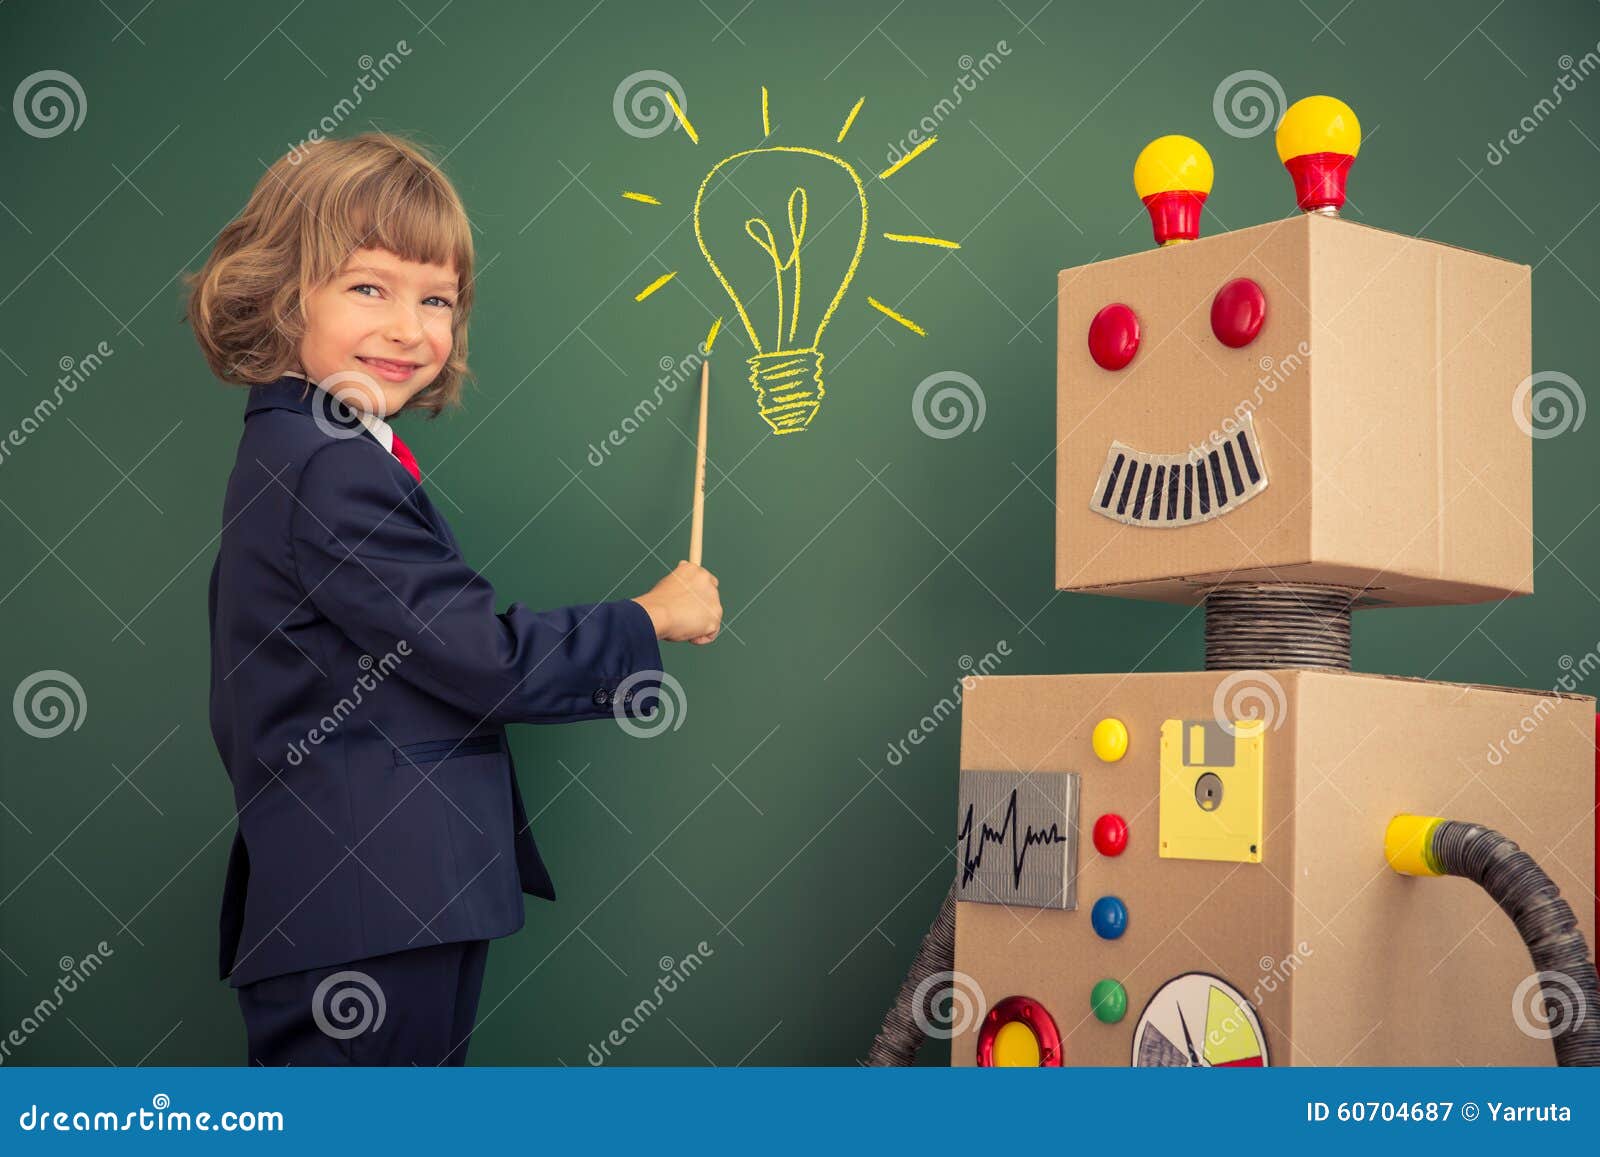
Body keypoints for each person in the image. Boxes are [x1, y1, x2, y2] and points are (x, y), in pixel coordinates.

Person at [185, 133, 721, 1065]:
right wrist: (651, 616)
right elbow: (480, 656)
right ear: (282, 293)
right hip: (372, 905)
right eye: (369, 288)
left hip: (369, 898)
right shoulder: (328, 470)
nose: (408, 328)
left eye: (435, 300)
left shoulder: (302, 448)